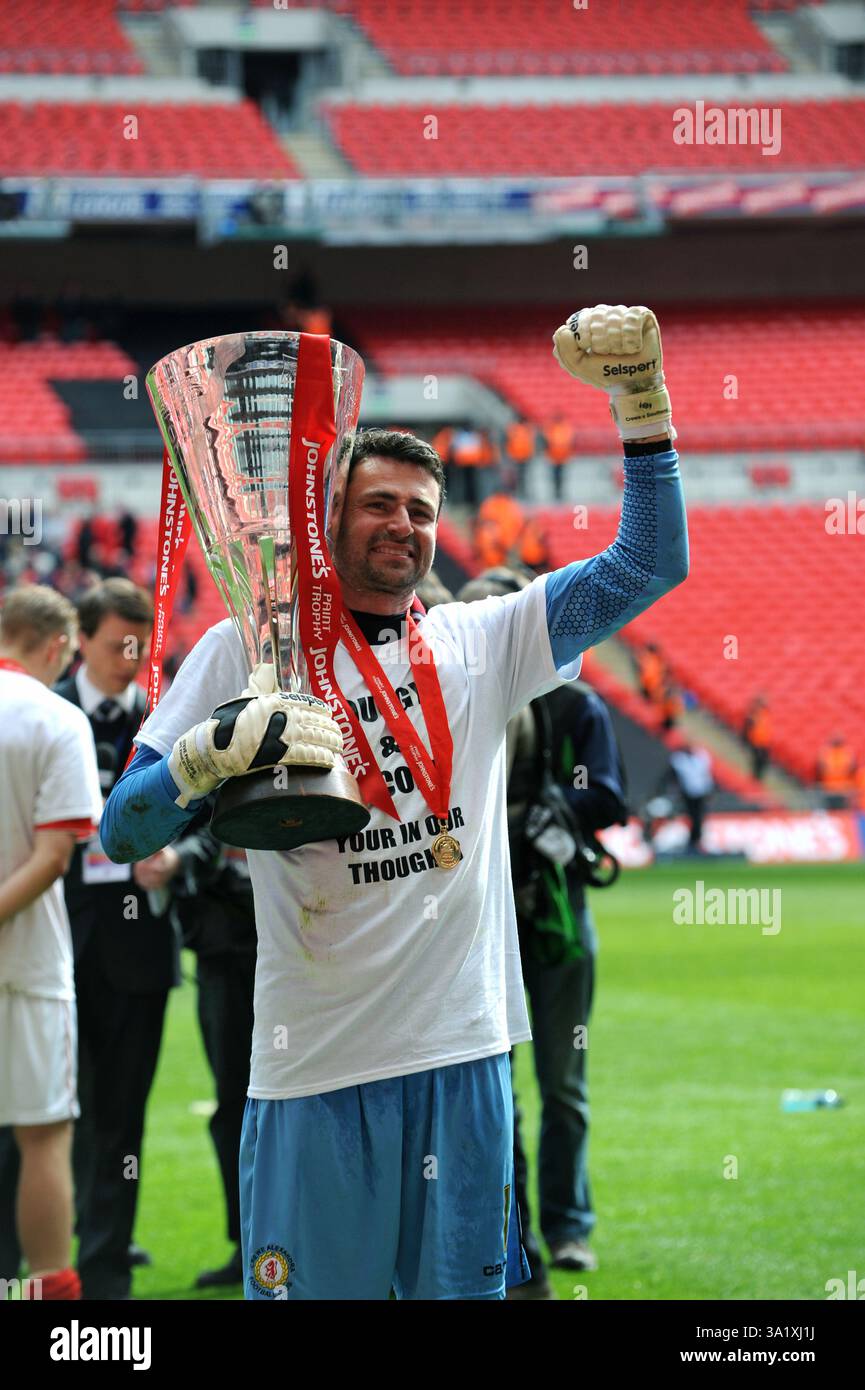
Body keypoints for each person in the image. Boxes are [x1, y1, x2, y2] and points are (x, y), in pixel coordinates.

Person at [100, 304, 688, 1300]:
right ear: (327, 517)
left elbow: (647, 563)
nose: (403, 525)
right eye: (378, 504)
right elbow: (124, 828)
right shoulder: (246, 649)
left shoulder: (482, 639)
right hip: (311, 1069)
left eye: (421, 509)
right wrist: (203, 759)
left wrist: (641, 404)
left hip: (461, 1059)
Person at [459, 567, 628, 1298]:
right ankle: (508, 1236)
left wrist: (550, 804)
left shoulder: (575, 705)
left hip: (554, 913)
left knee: (560, 1084)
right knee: (497, 1088)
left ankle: (566, 1226)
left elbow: (608, 795)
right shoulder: (459, 702)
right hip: (482, 919)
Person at [57, 578, 180, 1300]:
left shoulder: (165, 724)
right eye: (115, 646)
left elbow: (205, 821)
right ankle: (30, 1257)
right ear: (80, 638)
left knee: (121, 1120)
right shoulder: (42, 718)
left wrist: (175, 858)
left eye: (139, 645)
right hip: (53, 950)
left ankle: (104, 1274)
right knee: (43, 1114)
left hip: (138, 956)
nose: (128, 660)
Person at [0, 586, 103, 1300]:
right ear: (58, 647)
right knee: (43, 1138)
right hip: (28, 964)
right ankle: (47, 1302)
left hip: (30, 965)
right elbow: (53, 858)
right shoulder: (58, 719)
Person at [165, 812, 257, 1290]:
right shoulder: (200, 747)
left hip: (293, 945)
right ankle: (249, 1245)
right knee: (234, 1104)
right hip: (222, 948)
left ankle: (298, 1238)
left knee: (313, 1101)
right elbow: (195, 832)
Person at [662, 739, 715, 852]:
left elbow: (706, 777)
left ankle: (695, 841)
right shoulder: (679, 760)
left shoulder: (700, 757)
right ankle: (692, 841)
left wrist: (709, 791)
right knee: (692, 817)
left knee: (698, 818)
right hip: (687, 794)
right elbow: (674, 776)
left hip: (699, 793)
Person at [816, 734, 857, 810]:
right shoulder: (826, 753)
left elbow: (852, 769)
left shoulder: (846, 753)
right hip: (830, 788)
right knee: (832, 810)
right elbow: (820, 769)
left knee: (843, 811)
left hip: (843, 789)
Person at [742, 695, 771, 780]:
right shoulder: (754, 714)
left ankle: (757, 779)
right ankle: (753, 779)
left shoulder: (766, 714)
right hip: (756, 744)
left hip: (764, 744)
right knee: (756, 763)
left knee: (763, 764)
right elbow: (747, 729)